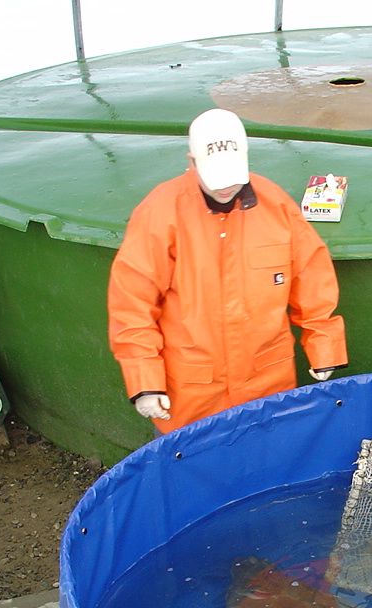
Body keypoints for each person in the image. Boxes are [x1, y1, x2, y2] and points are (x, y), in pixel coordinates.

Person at [108, 108, 347, 433]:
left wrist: (324, 346)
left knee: (270, 467)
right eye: (215, 177)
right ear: (191, 162)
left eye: (233, 175)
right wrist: (144, 381)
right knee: (193, 474)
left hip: (268, 387)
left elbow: (311, 277)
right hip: (191, 394)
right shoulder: (160, 212)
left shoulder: (276, 206)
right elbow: (132, 305)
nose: (226, 188)